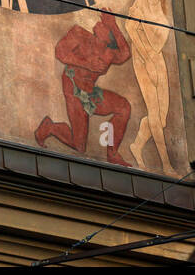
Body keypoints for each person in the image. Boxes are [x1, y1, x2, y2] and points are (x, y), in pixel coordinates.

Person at [35, 10, 132, 166]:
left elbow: (125, 53)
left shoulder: (109, 54)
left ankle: (112, 153)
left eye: (105, 26)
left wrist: (113, 24)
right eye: (102, 22)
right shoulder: (79, 34)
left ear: (109, 38)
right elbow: (60, 52)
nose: (100, 23)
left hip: (90, 91)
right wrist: (87, 63)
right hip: (73, 87)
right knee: (79, 146)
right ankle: (50, 128)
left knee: (124, 107)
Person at [126, 0, 172, 173]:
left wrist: (149, 56)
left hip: (157, 62)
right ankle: (166, 164)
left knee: (161, 119)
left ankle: (136, 146)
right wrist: (145, 55)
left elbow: (155, 48)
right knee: (154, 113)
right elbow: (130, 27)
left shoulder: (164, 22)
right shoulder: (140, 2)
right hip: (141, 62)